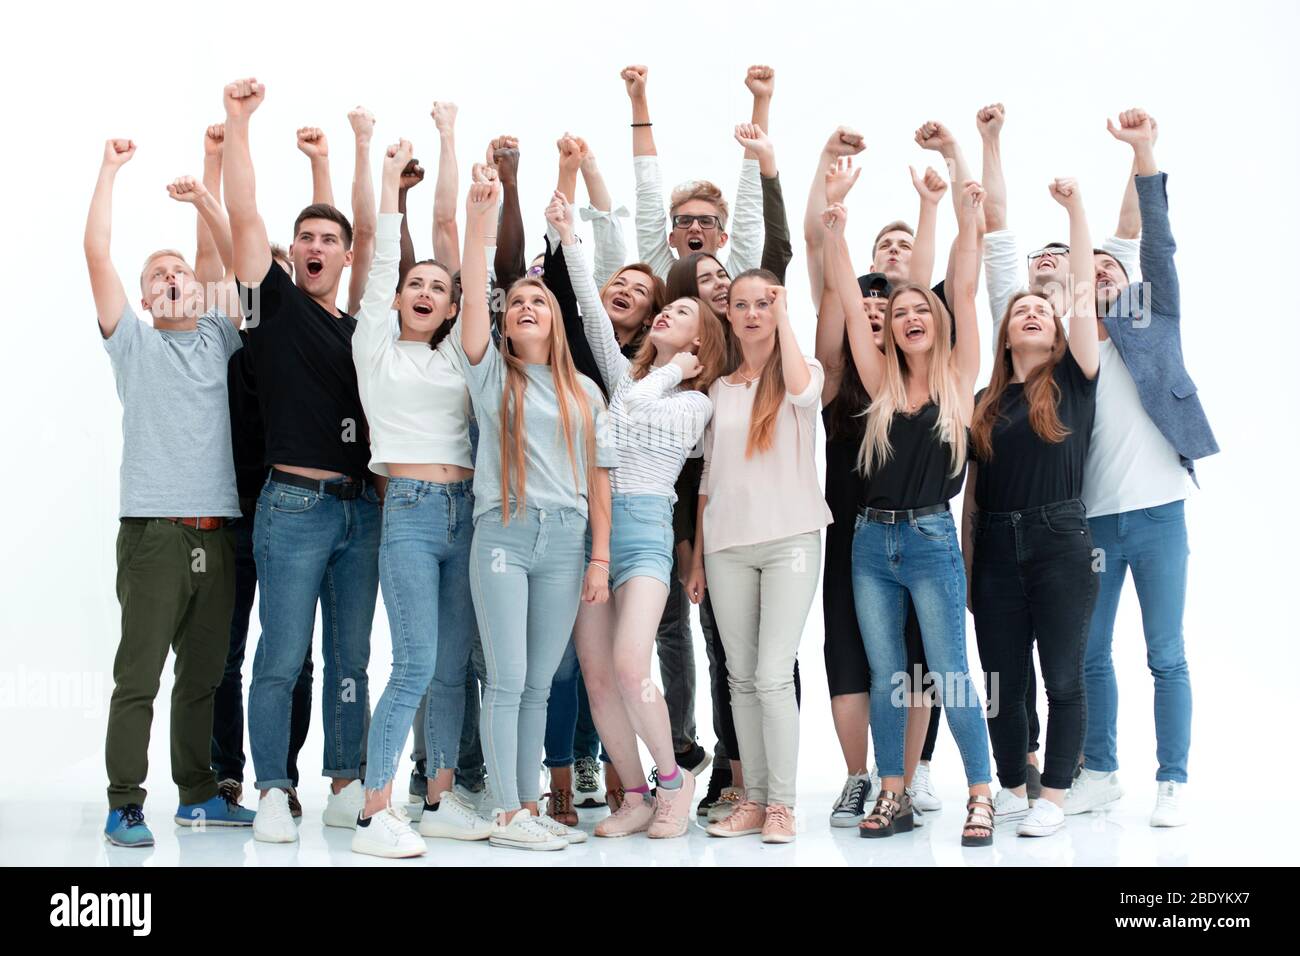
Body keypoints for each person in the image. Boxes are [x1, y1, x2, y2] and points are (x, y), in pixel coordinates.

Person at [222, 78, 382, 844]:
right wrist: (239, 122)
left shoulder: (362, 330)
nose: (314, 248)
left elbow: (370, 229)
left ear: (346, 256)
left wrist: (336, 159)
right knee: (281, 655)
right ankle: (274, 788)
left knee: (351, 658)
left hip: (363, 511)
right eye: (304, 239)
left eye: (329, 240)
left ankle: (346, 782)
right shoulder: (274, 308)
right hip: (292, 508)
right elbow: (246, 215)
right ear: (292, 254)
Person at [88, 136, 256, 846]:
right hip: (155, 533)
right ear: (145, 295)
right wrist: (112, 170)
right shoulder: (134, 341)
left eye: (178, 271)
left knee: (204, 676)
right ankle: (125, 801)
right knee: (141, 676)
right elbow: (97, 253)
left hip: (216, 531)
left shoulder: (220, 333)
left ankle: (198, 794)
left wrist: (205, 186)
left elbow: (223, 261)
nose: (171, 278)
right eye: (157, 274)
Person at [824, 175, 996, 846]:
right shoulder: (878, 382)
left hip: (929, 539)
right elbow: (843, 292)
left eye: (920, 310)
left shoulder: (957, 380)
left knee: (949, 672)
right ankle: (892, 793)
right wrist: (837, 234)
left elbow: (966, 284)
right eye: (899, 314)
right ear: (890, 328)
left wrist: (967, 218)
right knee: (887, 675)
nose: (909, 318)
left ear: (936, 321)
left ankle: (979, 794)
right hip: (871, 544)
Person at [549, 191, 725, 838]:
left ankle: (672, 781)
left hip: (647, 532)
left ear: (701, 341)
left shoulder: (696, 403)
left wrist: (676, 370)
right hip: (593, 531)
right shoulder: (631, 378)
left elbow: (630, 415)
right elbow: (596, 324)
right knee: (597, 677)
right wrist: (570, 237)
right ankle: (633, 794)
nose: (664, 316)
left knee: (630, 664)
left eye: (679, 314)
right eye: (667, 309)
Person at [459, 172, 617, 851]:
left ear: (554, 320)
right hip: (505, 532)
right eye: (517, 300)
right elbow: (472, 289)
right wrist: (481, 216)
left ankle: (525, 804)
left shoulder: (583, 388)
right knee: (508, 676)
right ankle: (505, 813)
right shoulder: (490, 372)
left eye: (539, 301)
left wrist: (599, 560)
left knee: (541, 685)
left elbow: (600, 479)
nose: (528, 305)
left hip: (567, 541)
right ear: (504, 318)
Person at [1068, 110, 1216, 828]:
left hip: (1158, 513)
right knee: (1091, 652)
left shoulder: (1155, 318)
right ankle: (1100, 771)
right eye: (1087, 265)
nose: (1100, 268)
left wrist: (1144, 153)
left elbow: (1156, 240)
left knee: (1166, 652)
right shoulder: (1066, 353)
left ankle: (1174, 779)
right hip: (1094, 517)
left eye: (1110, 263)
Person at [348, 140, 494, 857]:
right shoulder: (375, 347)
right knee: (412, 661)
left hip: (465, 515)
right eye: (417, 285)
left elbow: (477, 283)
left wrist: (478, 208)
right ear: (401, 298)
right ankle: (376, 811)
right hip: (405, 507)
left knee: (451, 664)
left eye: (440, 286)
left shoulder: (457, 361)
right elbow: (378, 258)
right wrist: (386, 181)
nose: (427, 292)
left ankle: (437, 798)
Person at [965, 176, 1100, 838]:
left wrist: (1075, 211)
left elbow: (1076, 293)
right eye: (1020, 311)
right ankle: (1016, 784)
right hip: (993, 545)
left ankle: (1055, 798)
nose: (1030, 314)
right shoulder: (984, 402)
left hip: (1059, 542)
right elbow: (973, 495)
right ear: (1006, 333)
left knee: (1063, 676)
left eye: (1040, 312)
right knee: (1000, 681)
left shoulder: (1074, 378)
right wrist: (967, 567)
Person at [688, 269, 831, 845]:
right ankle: (754, 798)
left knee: (773, 674)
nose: (751, 313)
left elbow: (801, 390)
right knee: (740, 677)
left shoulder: (802, 372)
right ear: (729, 314)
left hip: (790, 539)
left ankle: (783, 806)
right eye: (741, 304)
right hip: (726, 545)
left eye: (763, 304)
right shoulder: (717, 389)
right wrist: (696, 559)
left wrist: (788, 314)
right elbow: (706, 480)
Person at [208, 124, 315, 821]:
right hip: (232, 516)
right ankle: (227, 773)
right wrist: (211, 172)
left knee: (293, 656)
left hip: (289, 514)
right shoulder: (230, 339)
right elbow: (223, 252)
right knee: (225, 657)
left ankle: (284, 777)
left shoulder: (307, 350)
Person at [623, 64, 765, 280]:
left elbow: (750, 207)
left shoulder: (735, 281)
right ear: (671, 238)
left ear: (722, 239)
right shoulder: (663, 277)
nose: (695, 227)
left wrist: (761, 99)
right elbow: (647, 188)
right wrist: (638, 99)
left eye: (707, 221)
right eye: (685, 220)